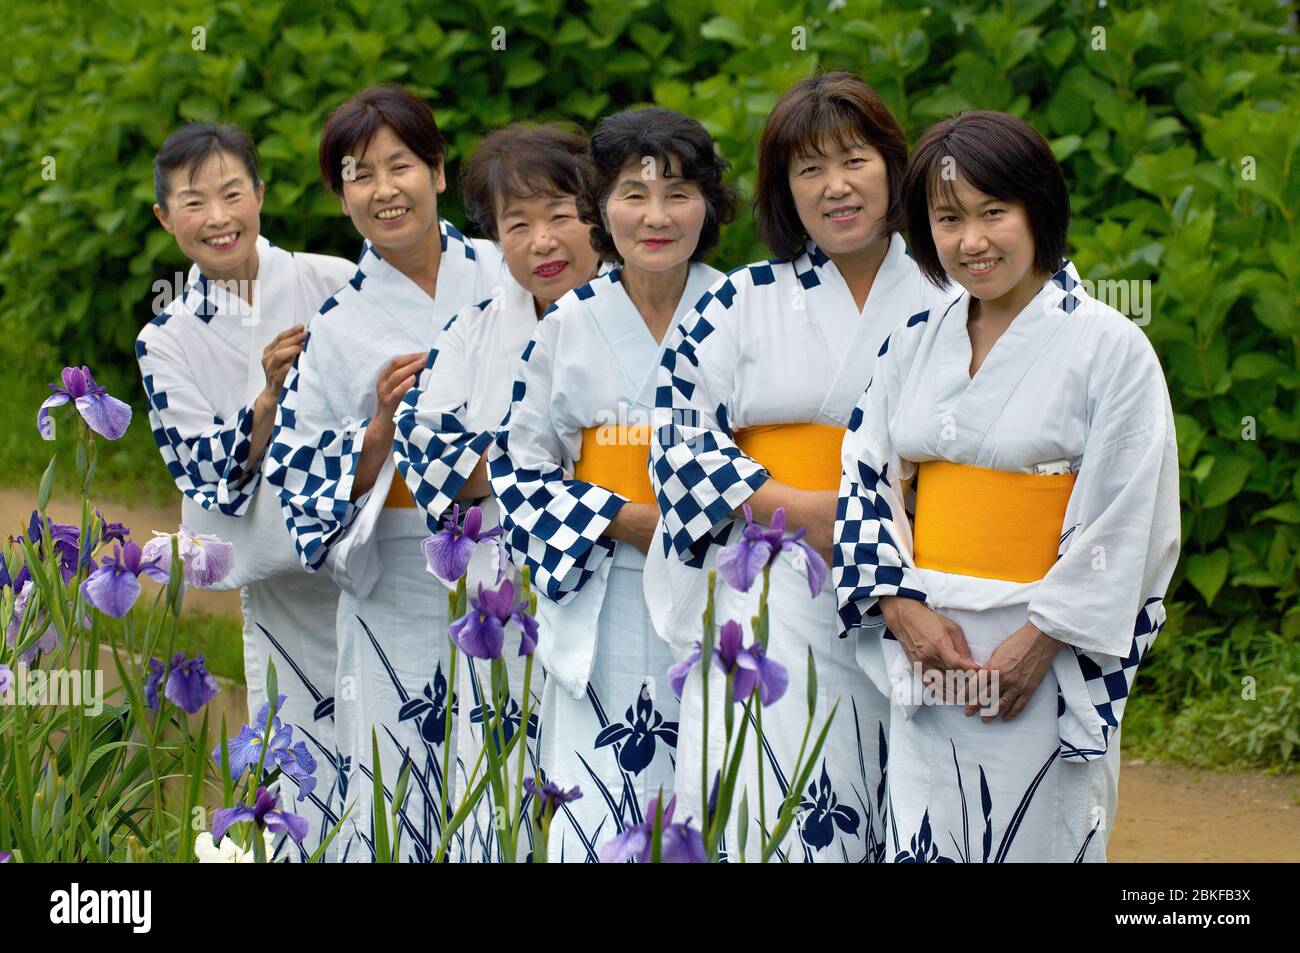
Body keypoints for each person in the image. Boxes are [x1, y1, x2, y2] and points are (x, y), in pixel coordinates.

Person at [834, 110, 1179, 862]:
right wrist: (900, 606)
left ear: (1039, 209)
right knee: (928, 836)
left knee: (1038, 834)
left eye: (996, 212)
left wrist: (1038, 640)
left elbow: (1130, 516)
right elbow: (864, 478)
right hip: (929, 647)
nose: (973, 241)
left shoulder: (1109, 346)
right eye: (949, 218)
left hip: (1043, 647)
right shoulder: (914, 342)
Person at [648, 72, 952, 862]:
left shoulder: (952, 291)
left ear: (893, 164)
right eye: (808, 169)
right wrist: (797, 509)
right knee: (778, 782)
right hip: (778, 570)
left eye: (854, 160)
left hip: (929, 571)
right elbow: (676, 441)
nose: (836, 186)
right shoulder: (740, 299)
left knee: (928, 797)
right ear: (784, 190)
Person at [266, 84, 511, 862]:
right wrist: (376, 429)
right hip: (401, 565)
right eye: (357, 173)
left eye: (399, 165)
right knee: (398, 771)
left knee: (507, 760)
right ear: (342, 197)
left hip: (511, 551)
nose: (382, 189)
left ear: (439, 172)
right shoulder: (338, 323)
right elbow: (297, 473)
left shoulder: (507, 271)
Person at [488, 107, 735, 861]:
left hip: (723, 588)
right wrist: (623, 517)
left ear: (710, 206)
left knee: (716, 795)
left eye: (679, 193)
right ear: (600, 206)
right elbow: (518, 470)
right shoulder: (567, 324)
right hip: (606, 589)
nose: (655, 216)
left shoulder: (742, 308)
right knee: (599, 811)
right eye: (633, 193)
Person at [137, 121, 352, 860]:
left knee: (398, 739)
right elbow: (202, 473)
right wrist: (265, 400)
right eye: (195, 202)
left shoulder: (334, 280)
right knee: (300, 769)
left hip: (376, 559)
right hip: (280, 583)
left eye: (234, 193)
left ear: (262, 195)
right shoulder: (165, 338)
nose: (220, 217)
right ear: (166, 219)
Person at [390, 122, 601, 860]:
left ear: (598, 214)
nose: (542, 241)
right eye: (518, 223)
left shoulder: (646, 316)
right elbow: (425, 455)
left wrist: (501, 466)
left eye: (560, 215)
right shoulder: (471, 332)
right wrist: (557, 462)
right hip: (498, 600)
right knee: (500, 789)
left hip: (612, 588)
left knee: (599, 790)